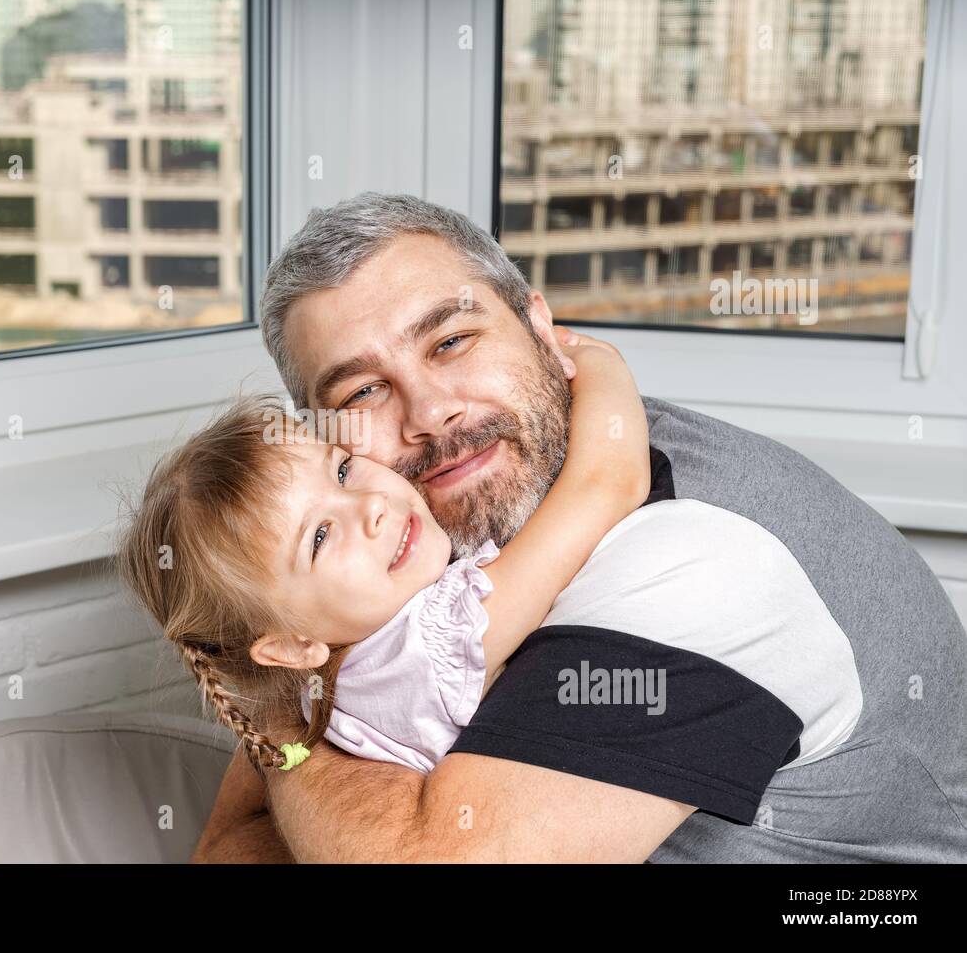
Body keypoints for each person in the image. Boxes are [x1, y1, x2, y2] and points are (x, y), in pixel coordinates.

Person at [190, 192, 967, 863]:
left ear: (541, 328)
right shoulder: (407, 536)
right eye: (363, 390)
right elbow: (226, 848)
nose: (430, 415)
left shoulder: (691, 560)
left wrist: (286, 716)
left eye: (453, 341)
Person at [119, 342, 650, 775]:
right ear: (292, 646)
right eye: (321, 536)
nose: (372, 507)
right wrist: (597, 361)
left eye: (344, 471)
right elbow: (607, 485)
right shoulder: (424, 654)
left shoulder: (330, 682)